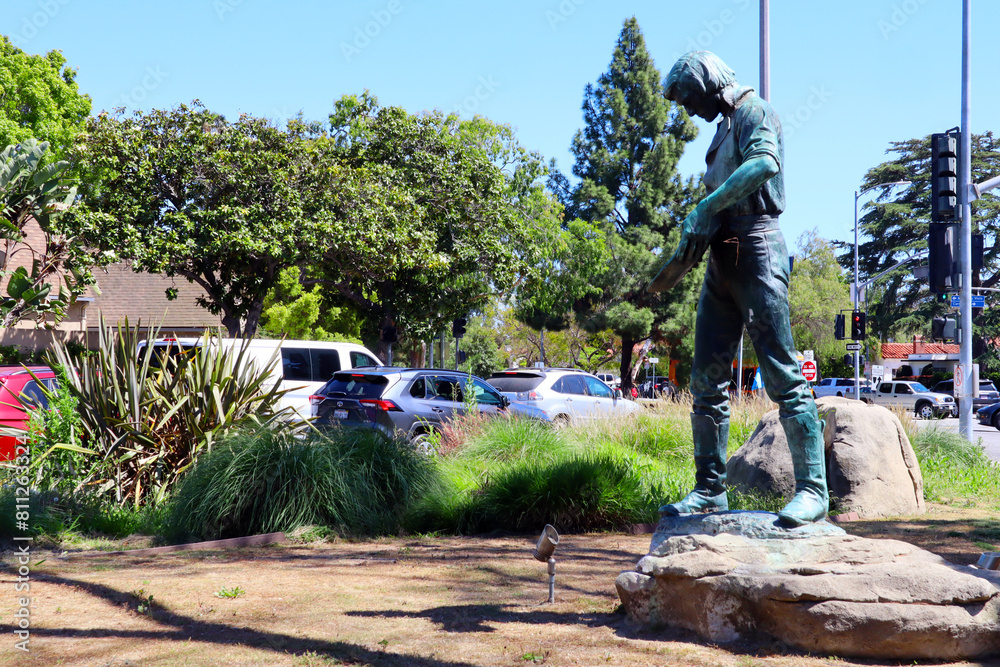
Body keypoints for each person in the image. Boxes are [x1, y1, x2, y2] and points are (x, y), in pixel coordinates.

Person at [648, 51, 827, 527]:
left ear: (708, 82)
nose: (687, 110)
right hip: (721, 259)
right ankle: (709, 490)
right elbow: (717, 200)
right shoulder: (721, 128)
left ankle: (813, 490)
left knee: (783, 376)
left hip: (757, 248)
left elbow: (765, 164)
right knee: (705, 380)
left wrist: (707, 204)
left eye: (688, 98)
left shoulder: (753, 111)